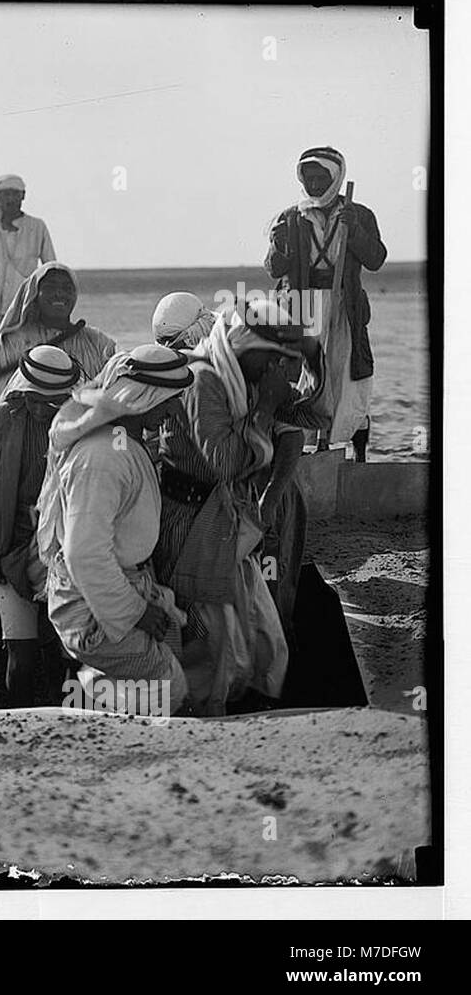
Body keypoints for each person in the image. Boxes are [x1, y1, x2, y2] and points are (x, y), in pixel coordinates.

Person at [151, 303, 306, 715]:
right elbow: (223, 461)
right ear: (244, 347)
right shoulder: (204, 379)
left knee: (259, 634)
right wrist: (267, 408)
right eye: (273, 357)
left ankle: (238, 713)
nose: (279, 368)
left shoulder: (244, 379)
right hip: (191, 524)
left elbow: (310, 414)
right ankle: (204, 723)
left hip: (226, 518)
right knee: (212, 640)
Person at [31, 345, 195, 717]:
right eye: (169, 401)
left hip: (116, 587)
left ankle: (97, 708)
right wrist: (134, 612)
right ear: (140, 399)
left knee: (164, 669)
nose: (174, 411)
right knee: (166, 687)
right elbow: (84, 554)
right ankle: (92, 709)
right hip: (91, 605)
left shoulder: (122, 444)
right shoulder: (104, 457)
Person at [0, 345, 80, 705]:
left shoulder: (78, 428)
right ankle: (19, 722)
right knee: (20, 658)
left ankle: (66, 725)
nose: (41, 410)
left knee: (67, 656)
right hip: (7, 553)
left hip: (62, 555)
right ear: (22, 390)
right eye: (34, 400)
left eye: (50, 403)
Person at [264, 146, 387, 461]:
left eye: (321, 177)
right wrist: (280, 245)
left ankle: (357, 457)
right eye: (309, 177)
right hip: (301, 307)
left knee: (348, 379)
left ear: (336, 177)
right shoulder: (290, 217)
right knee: (304, 379)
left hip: (344, 307)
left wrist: (355, 231)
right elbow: (274, 269)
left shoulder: (359, 215)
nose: (315, 184)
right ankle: (303, 452)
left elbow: (376, 259)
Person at [0, 261, 116, 455]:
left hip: (81, 445)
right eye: (50, 287)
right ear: (34, 294)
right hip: (20, 445)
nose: (60, 294)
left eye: (67, 288)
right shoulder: (8, 344)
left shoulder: (98, 343)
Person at [0, 175, 57, 380]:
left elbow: (50, 266)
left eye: (14, 194)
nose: (9, 199)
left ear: (23, 196)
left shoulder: (37, 227)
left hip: (22, 306)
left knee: (18, 359)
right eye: (4, 194)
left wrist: (37, 300)